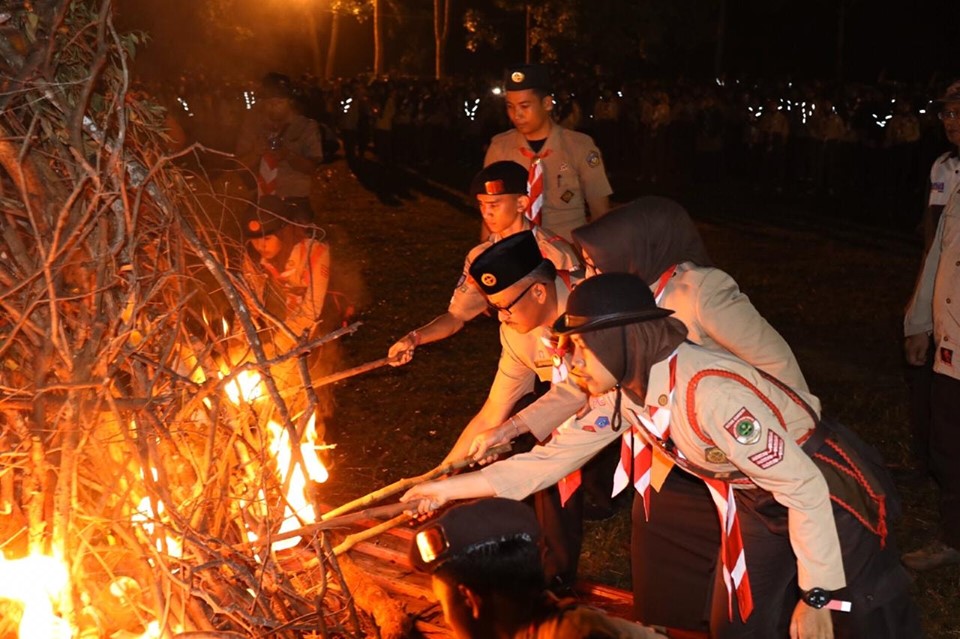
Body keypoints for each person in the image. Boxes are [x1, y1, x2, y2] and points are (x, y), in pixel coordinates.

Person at [404, 273, 923, 639]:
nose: (569, 362)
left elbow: (803, 486)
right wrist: (443, 490)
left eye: (580, 347)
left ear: (619, 340)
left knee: (860, 616)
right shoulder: (631, 390)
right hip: (756, 501)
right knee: (739, 625)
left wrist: (817, 596)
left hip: (824, 493)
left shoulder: (710, 394)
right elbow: (548, 461)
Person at [430, 197, 824, 635]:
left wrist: (787, 437)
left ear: (633, 253)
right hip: (668, 453)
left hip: (743, 456)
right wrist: (511, 430)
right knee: (662, 580)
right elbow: (582, 388)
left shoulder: (699, 294)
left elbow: (779, 372)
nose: (587, 276)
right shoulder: (614, 318)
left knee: (749, 597)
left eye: (594, 265)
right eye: (586, 265)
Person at [427, 231, 617, 594]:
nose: (500, 317)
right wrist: (440, 477)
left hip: (639, 411)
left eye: (505, 306)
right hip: (572, 408)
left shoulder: (595, 305)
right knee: (543, 450)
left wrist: (515, 428)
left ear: (539, 292)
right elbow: (492, 413)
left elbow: (593, 387)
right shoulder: (517, 333)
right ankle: (552, 572)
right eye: (493, 308)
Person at [387, 161, 581, 366]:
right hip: (519, 355)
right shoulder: (480, 259)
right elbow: (456, 316)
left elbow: (582, 313)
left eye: (494, 205)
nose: (486, 213)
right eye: (481, 204)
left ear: (521, 203)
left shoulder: (555, 253)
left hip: (565, 357)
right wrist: (414, 338)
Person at [409, 498, 667, 639]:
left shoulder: (574, 633)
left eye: (443, 605)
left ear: (470, 599)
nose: (447, 620)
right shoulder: (540, 623)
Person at [901, 80, 960, 573]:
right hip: (952, 334)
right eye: (948, 112)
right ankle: (953, 535)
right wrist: (919, 322)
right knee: (947, 441)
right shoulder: (950, 172)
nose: (951, 120)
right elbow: (938, 253)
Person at [484, 64, 612, 242]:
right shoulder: (501, 148)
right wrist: (486, 252)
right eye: (510, 107)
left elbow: (600, 211)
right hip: (516, 251)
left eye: (524, 106)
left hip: (567, 251)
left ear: (546, 104)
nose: (516, 115)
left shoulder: (579, 147)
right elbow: (489, 212)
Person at [235, 73, 324, 223]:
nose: (274, 107)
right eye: (270, 102)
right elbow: (239, 166)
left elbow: (311, 168)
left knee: (301, 233)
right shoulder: (252, 127)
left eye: (280, 102)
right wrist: (255, 152)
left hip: (295, 199)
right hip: (262, 199)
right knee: (250, 232)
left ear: (290, 101)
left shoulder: (306, 127)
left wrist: (288, 156)